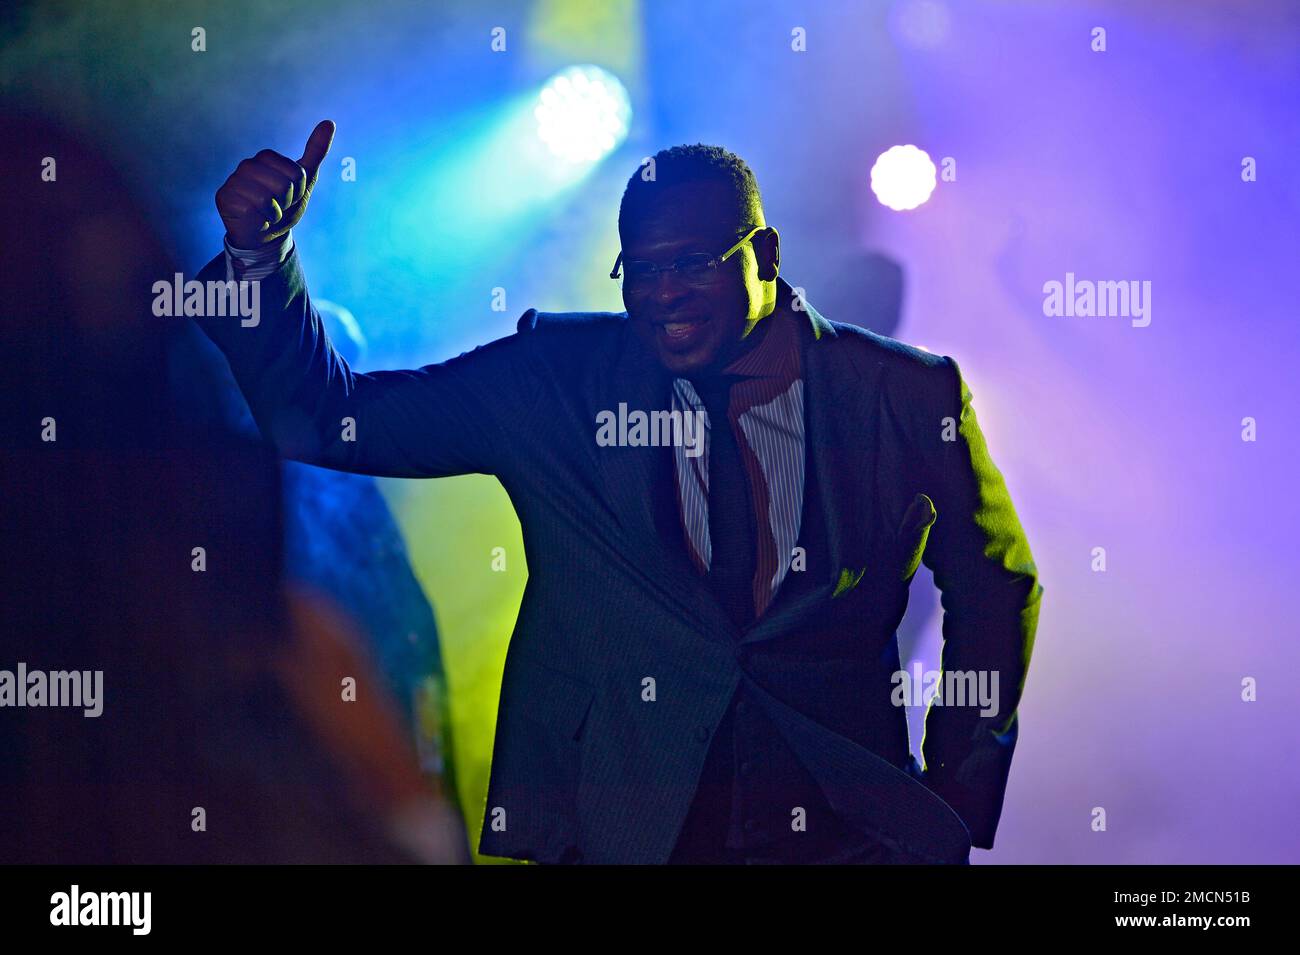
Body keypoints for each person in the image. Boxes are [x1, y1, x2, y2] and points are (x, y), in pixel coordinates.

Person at [193, 120, 1043, 864]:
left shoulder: (903, 395)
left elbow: (995, 589)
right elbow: (327, 413)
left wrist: (952, 802)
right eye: (638, 270)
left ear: (767, 255)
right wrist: (258, 259)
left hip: (846, 836)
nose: (661, 293)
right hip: (618, 834)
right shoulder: (557, 381)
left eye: (689, 265)